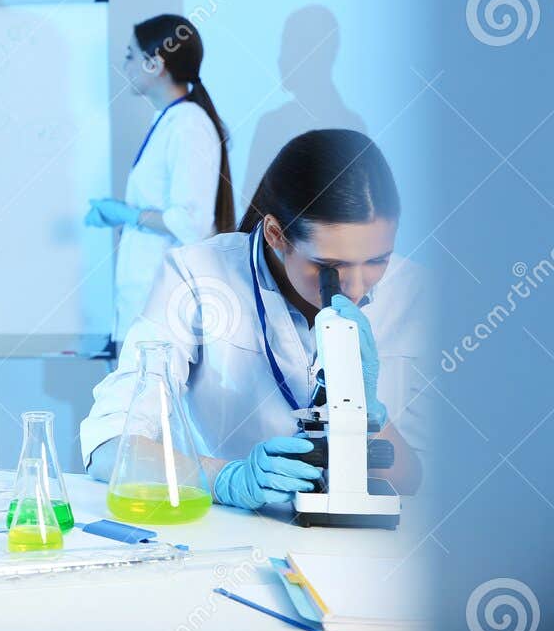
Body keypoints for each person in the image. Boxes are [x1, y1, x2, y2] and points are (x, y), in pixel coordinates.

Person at [80, 129, 429, 512]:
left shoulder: (414, 294)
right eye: (330, 267)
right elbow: (109, 446)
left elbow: (419, 480)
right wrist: (225, 479)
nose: (357, 288)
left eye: (378, 261)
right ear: (276, 234)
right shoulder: (198, 276)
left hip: (371, 545)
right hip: (232, 535)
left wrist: (365, 414)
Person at [86, 14, 235, 345]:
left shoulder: (188, 125)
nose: (125, 66)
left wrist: (127, 214)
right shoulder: (169, 120)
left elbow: (191, 223)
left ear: (155, 64)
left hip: (165, 307)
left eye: (131, 56)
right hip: (149, 303)